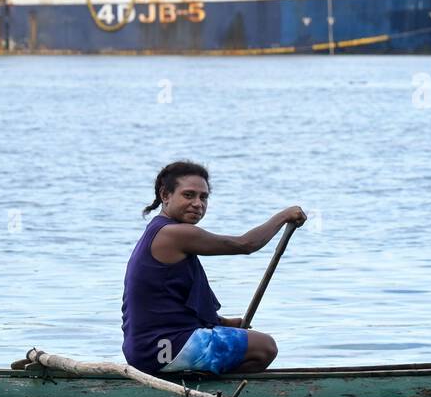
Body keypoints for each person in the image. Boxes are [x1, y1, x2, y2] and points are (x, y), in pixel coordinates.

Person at [122, 160, 306, 376]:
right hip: (161, 348)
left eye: (204, 197)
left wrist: (222, 322)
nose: (198, 203)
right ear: (165, 195)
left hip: (145, 349)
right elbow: (245, 244)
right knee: (265, 347)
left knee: (246, 340)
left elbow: (170, 303)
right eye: (188, 195)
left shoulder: (160, 231)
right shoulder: (174, 234)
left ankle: (197, 382)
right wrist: (284, 216)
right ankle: (211, 392)